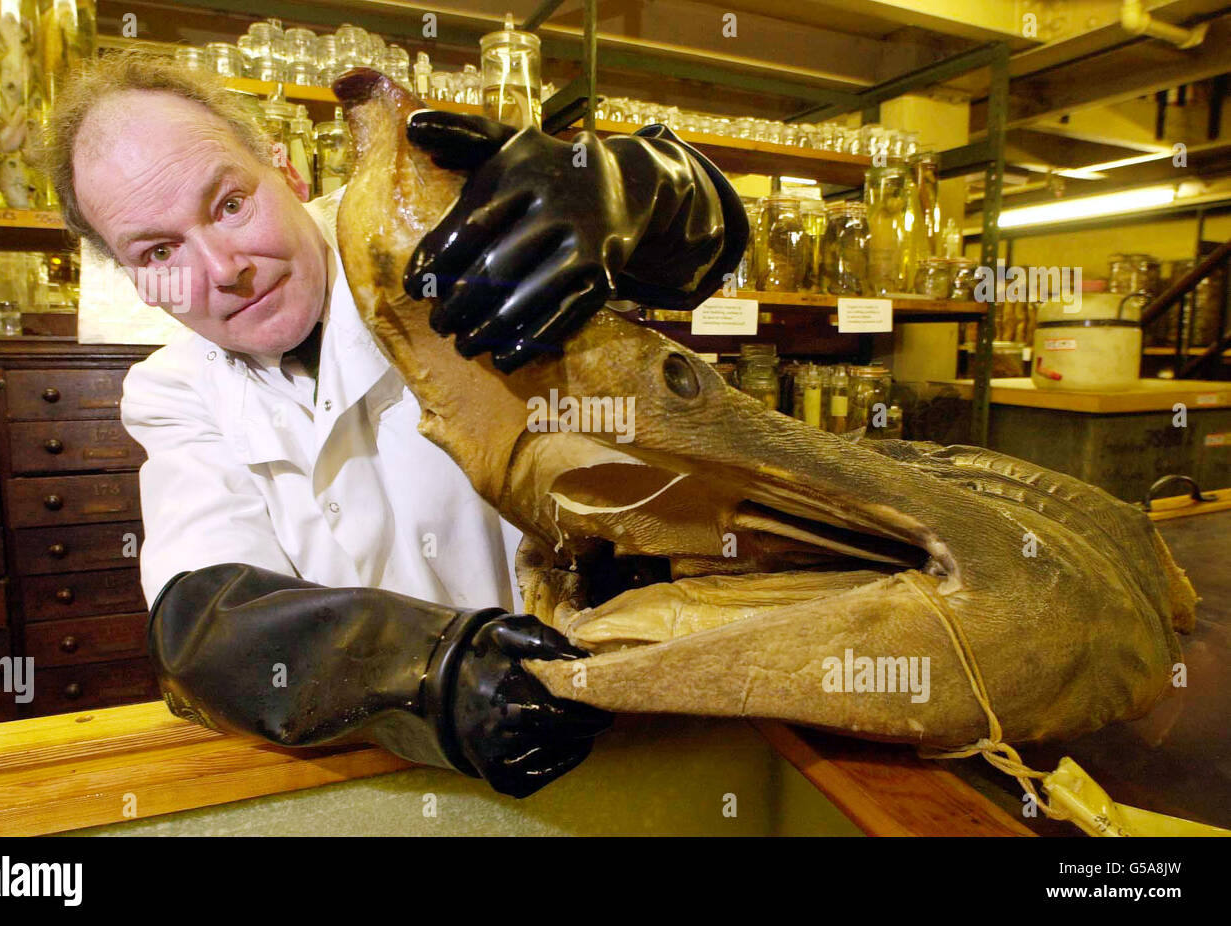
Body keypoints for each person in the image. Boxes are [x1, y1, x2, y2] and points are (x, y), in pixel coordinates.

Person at [41, 52, 747, 798]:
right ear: (137, 281)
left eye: (228, 205)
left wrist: (633, 188)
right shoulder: (173, 389)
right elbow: (208, 623)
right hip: (408, 770)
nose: (222, 268)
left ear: (288, 173)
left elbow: (706, 248)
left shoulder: (429, 227)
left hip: (633, 731)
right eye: (159, 251)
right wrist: (435, 671)